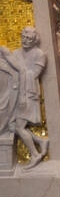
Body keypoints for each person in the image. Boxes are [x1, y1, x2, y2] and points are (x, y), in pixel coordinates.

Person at [0, 26, 50, 165]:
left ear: (35, 40)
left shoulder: (40, 54)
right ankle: (41, 141)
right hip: (15, 95)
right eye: (23, 37)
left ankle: (35, 154)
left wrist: (19, 70)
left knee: (18, 127)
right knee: (13, 127)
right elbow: (11, 73)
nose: (25, 40)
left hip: (28, 95)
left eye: (29, 38)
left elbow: (33, 75)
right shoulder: (15, 53)